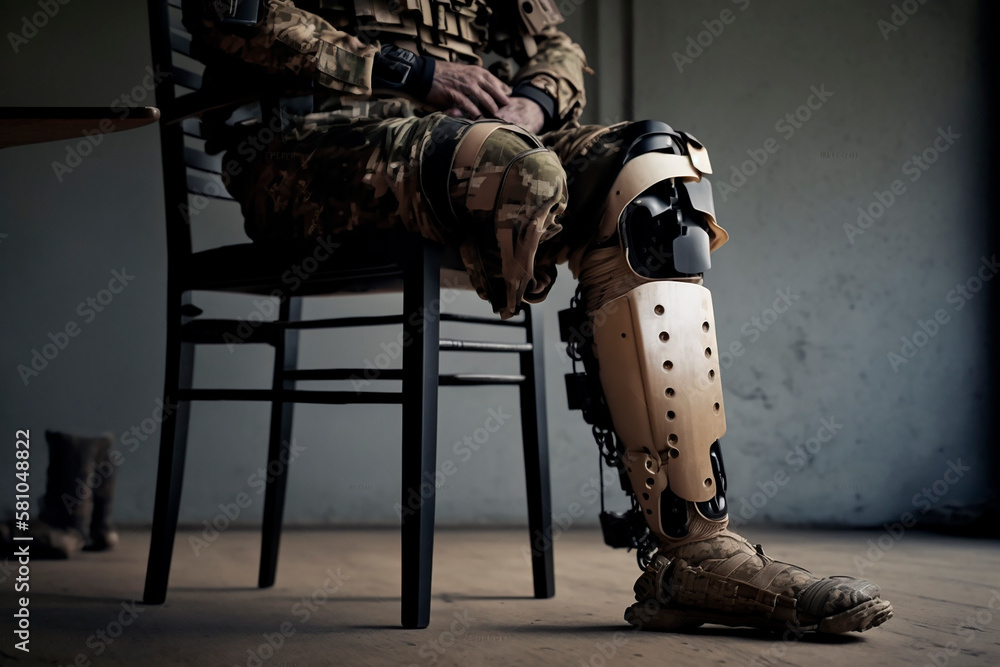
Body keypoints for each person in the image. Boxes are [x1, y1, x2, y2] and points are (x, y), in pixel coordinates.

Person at [182, 0, 893, 634]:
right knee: (524, 174)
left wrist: (527, 104)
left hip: (475, 143)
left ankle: (695, 550)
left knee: (653, 177)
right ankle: (514, 214)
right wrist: (412, 70)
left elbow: (556, 50)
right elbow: (231, 14)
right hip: (303, 156)